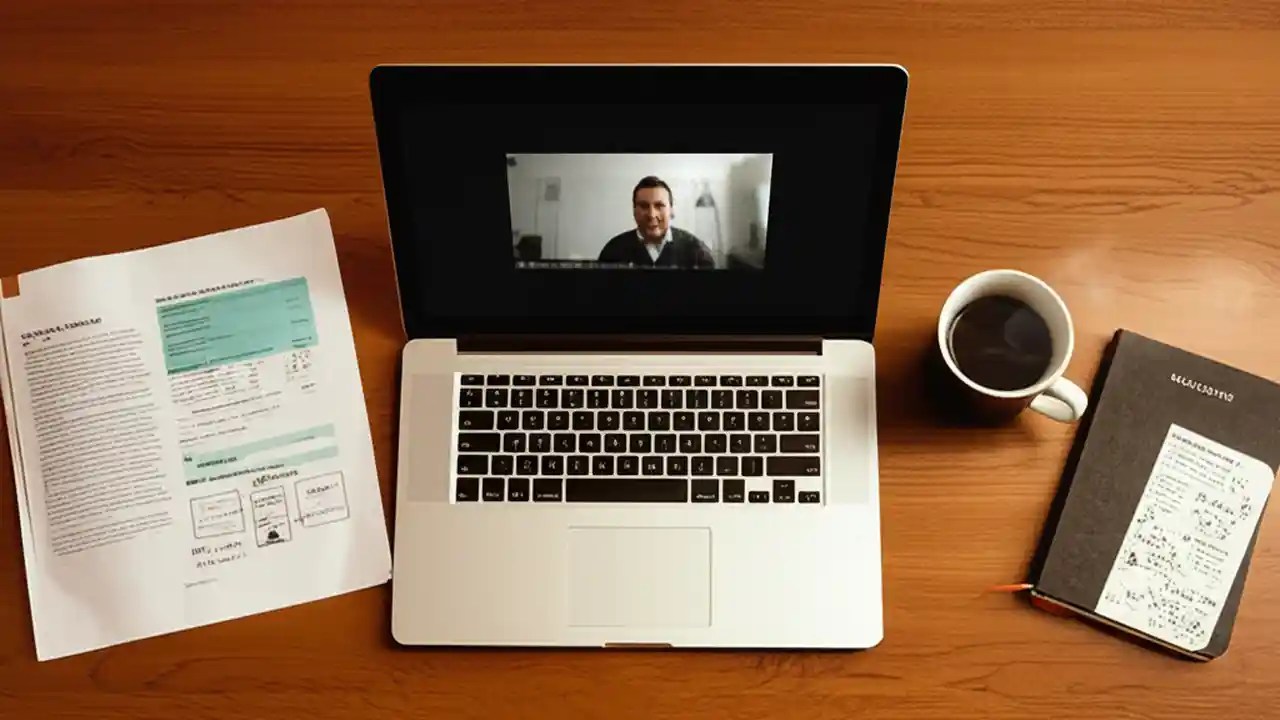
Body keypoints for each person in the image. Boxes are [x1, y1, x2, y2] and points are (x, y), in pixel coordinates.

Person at [597, 176, 715, 269]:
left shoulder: (696, 250)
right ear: (634, 211)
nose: (652, 215)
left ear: (671, 211)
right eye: (644, 206)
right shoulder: (613, 251)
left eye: (659, 206)